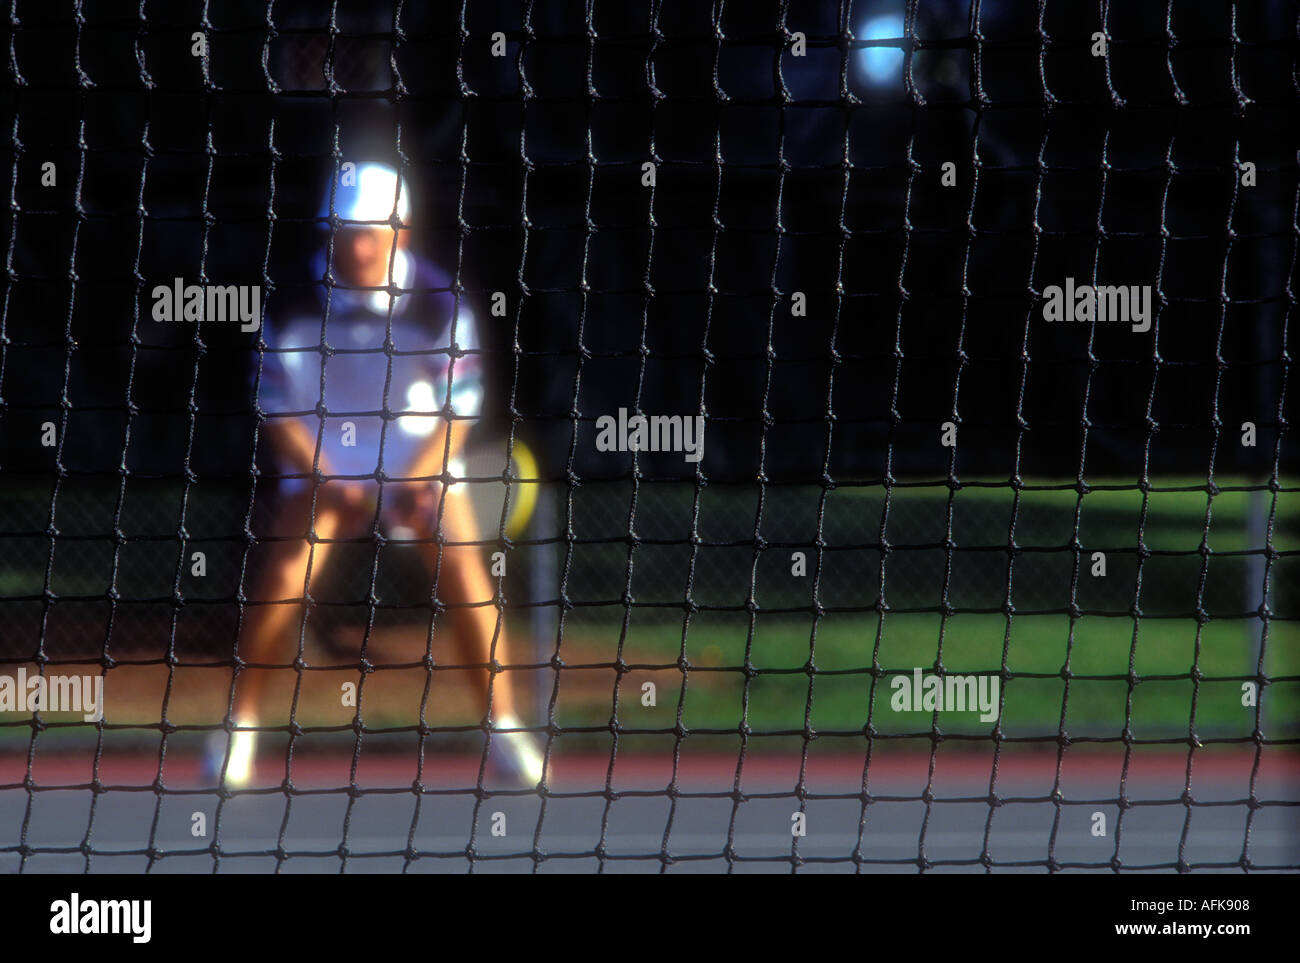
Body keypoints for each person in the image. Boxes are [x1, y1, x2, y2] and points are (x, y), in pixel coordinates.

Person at [208, 162, 544, 788]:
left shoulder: (441, 301)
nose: (356, 245)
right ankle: (241, 727)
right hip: (326, 462)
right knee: (285, 574)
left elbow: (457, 409)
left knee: (467, 570)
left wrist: (413, 481)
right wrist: (329, 477)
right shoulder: (289, 299)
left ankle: (504, 728)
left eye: (370, 231)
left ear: (401, 230)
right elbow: (276, 406)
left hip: (422, 462)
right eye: (344, 231)